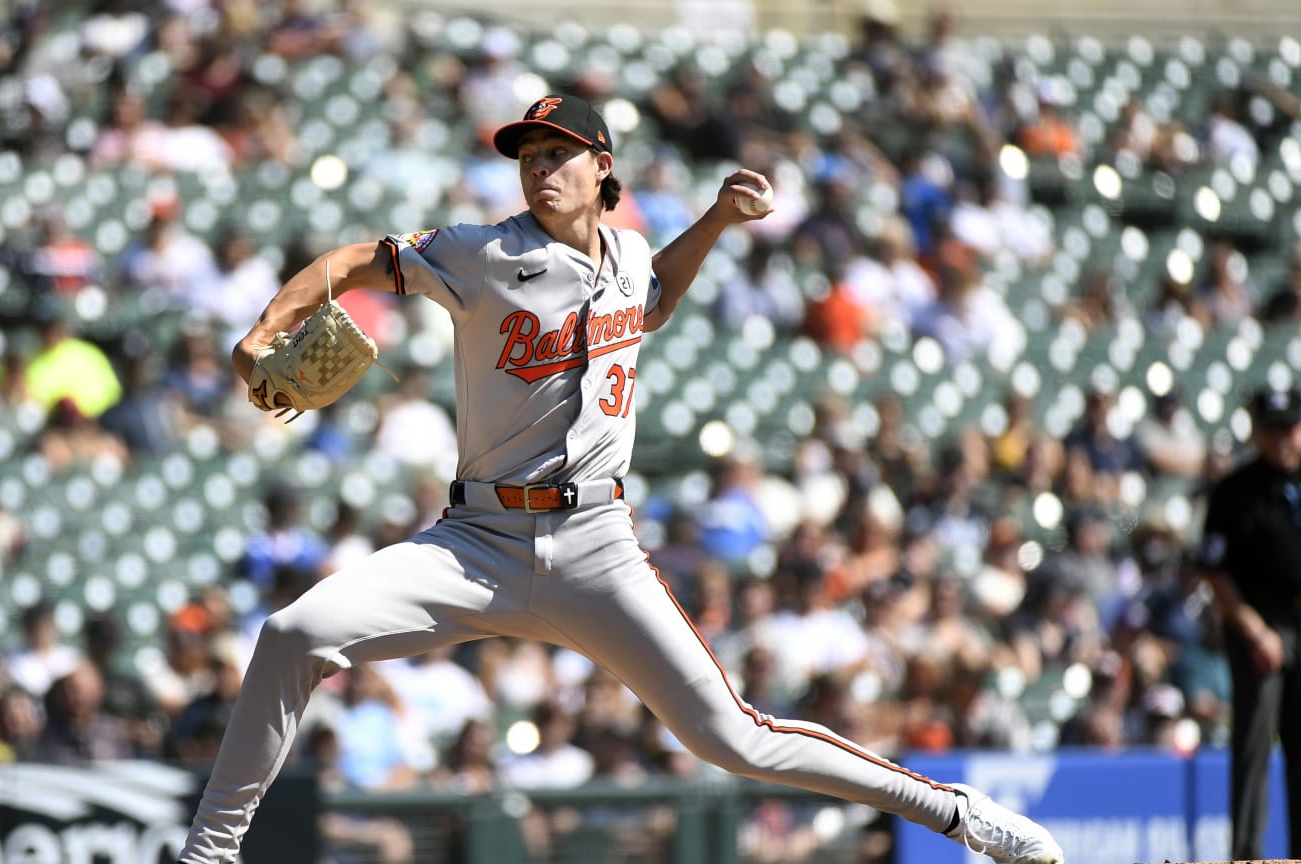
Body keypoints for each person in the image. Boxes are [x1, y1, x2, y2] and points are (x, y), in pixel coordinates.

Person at [177, 94, 1062, 864]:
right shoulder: (483, 252)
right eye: (528, 157)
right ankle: (209, 856)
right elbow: (354, 262)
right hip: (475, 542)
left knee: (737, 740)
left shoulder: (631, 254)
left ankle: (961, 815)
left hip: (598, 547)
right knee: (294, 633)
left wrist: (714, 221)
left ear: (603, 168)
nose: (538, 170)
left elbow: (653, 301)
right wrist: (267, 325)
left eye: (557, 154)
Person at [1199, 385, 1301, 860]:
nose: (1284, 438)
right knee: (1255, 747)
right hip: (1260, 627)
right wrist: (1254, 629)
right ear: (1258, 432)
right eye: (1274, 429)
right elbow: (1215, 570)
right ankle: (1247, 854)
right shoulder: (1236, 491)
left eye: (1291, 427)